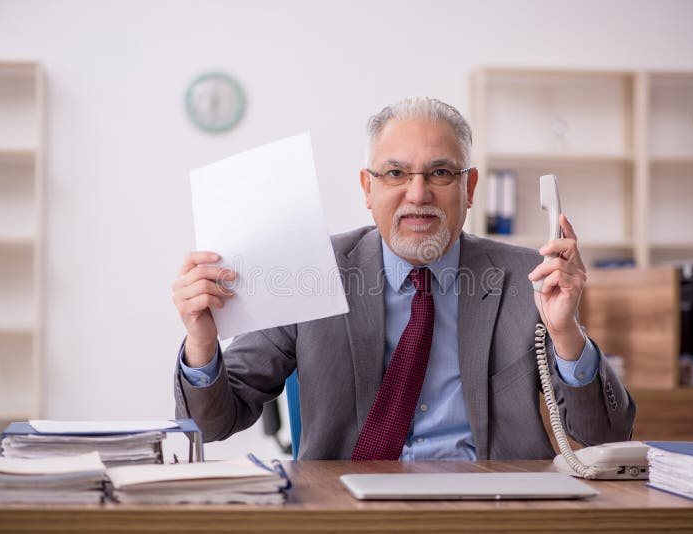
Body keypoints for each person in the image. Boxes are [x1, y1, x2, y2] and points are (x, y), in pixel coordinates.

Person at [172, 97, 635, 461]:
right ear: (367, 188)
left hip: (496, 506)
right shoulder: (310, 269)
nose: (419, 193)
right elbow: (212, 424)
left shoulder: (526, 277)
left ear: (469, 189)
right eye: (395, 173)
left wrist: (565, 332)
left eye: (440, 172)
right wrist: (202, 343)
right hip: (348, 510)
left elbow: (605, 436)